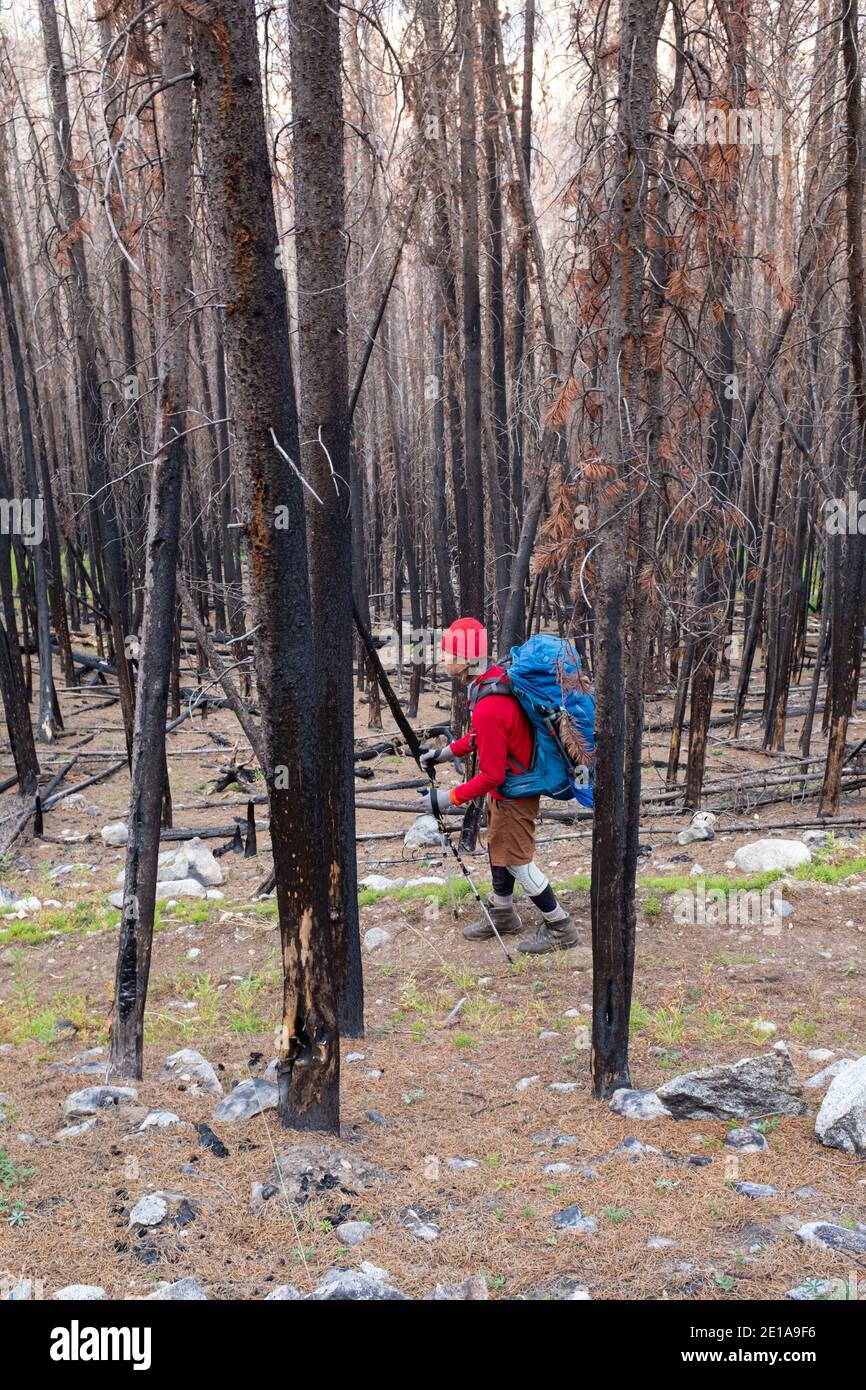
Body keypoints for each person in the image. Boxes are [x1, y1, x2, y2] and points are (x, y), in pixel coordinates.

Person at [417, 616, 579, 954]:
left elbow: (492, 775)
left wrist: (445, 799)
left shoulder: (490, 703)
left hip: (515, 792)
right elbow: (483, 738)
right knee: (498, 849)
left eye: (448, 651)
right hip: (510, 789)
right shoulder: (492, 683)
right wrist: (442, 753)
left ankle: (560, 925)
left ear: (466, 658)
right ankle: (504, 914)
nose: (443, 657)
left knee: (518, 860)